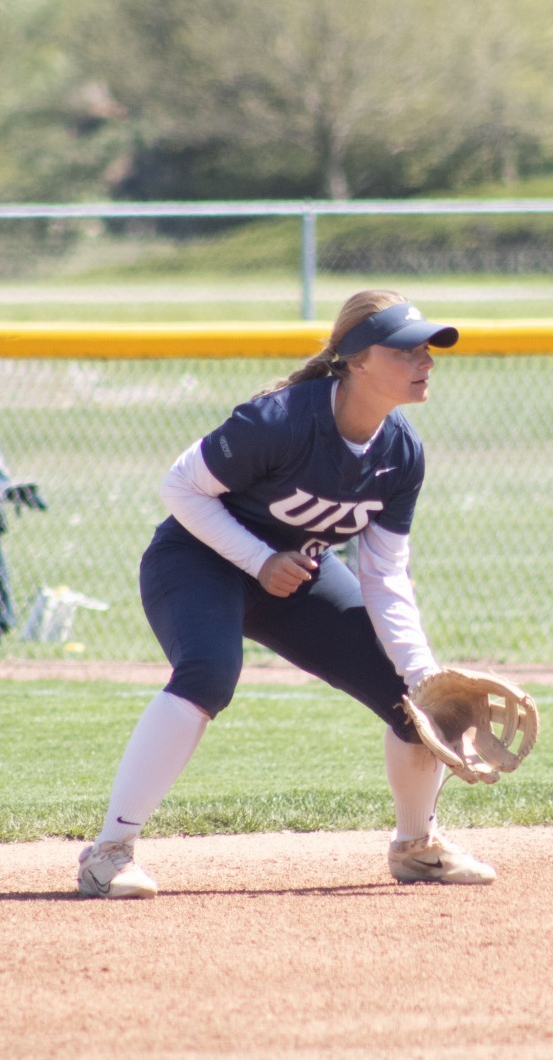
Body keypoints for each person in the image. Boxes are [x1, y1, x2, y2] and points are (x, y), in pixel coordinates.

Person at [76, 289, 489, 898]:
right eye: (405, 349)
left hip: (296, 577)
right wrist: (260, 559)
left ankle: (417, 846)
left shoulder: (401, 452)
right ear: (356, 360)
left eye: (428, 347)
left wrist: (421, 671)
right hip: (198, 560)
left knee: (412, 699)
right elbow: (180, 487)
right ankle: (108, 853)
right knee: (208, 675)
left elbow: (385, 573)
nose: (424, 359)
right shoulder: (282, 421)